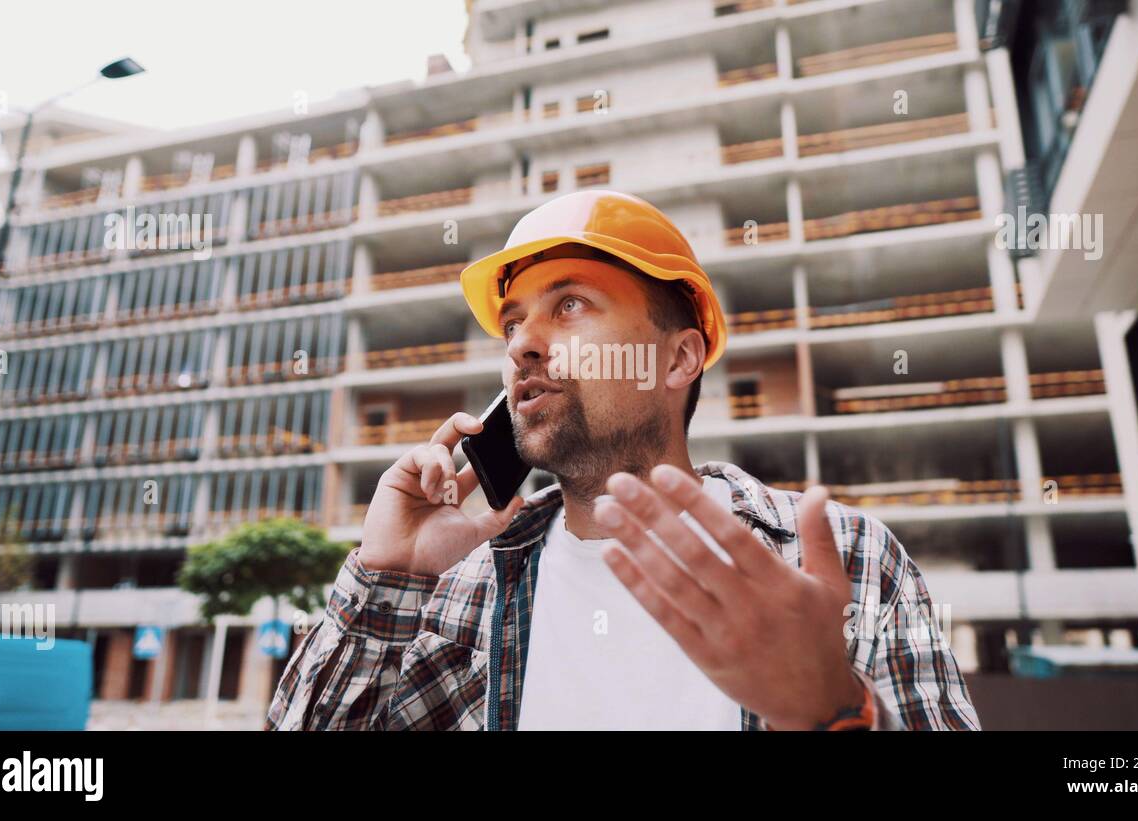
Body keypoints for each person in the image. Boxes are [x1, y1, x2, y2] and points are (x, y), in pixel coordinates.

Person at [266, 189, 980, 731]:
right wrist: (387, 578)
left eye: (570, 305)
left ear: (678, 358)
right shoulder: (465, 587)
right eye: (513, 323)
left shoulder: (844, 559)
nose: (521, 344)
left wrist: (838, 711)